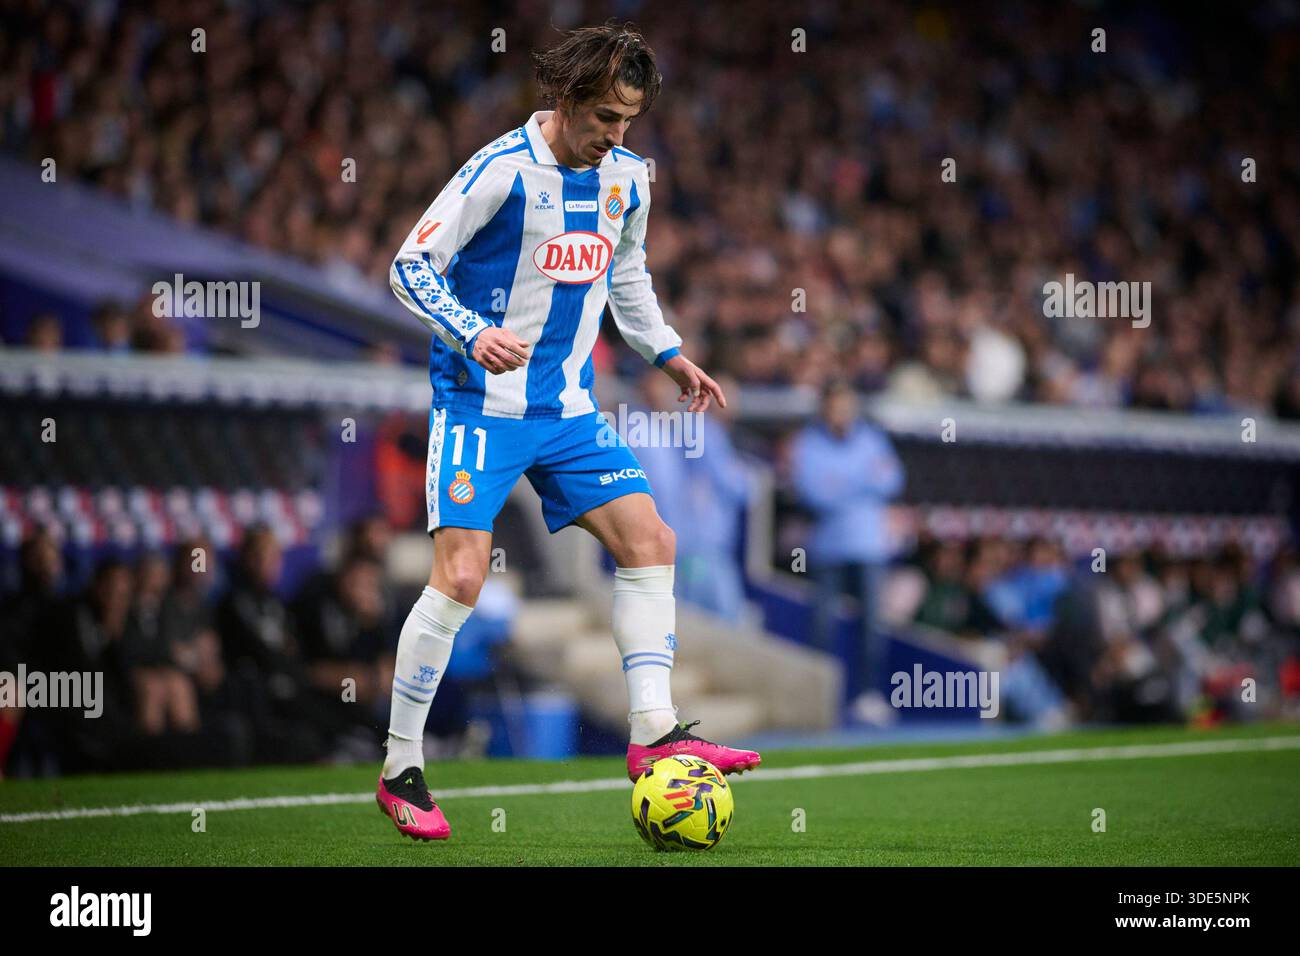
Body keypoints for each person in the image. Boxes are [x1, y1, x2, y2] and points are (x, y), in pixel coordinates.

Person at [379, 22, 760, 841]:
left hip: (569, 411)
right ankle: (400, 766)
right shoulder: (498, 170)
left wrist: (668, 354)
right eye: (605, 119)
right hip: (479, 405)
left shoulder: (628, 178)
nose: (617, 136)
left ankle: (653, 731)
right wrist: (470, 331)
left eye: (628, 122)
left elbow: (627, 275)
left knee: (650, 539)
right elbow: (410, 267)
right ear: (567, 98)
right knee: (463, 578)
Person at [791, 380, 905, 722]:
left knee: (873, 624)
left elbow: (893, 480)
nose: (841, 413)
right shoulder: (808, 442)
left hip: (870, 546)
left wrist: (840, 482)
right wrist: (863, 480)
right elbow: (813, 493)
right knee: (822, 625)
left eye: (846, 406)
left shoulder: (871, 437)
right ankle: (820, 698)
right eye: (835, 406)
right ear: (824, 409)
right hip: (829, 548)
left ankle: (868, 695)